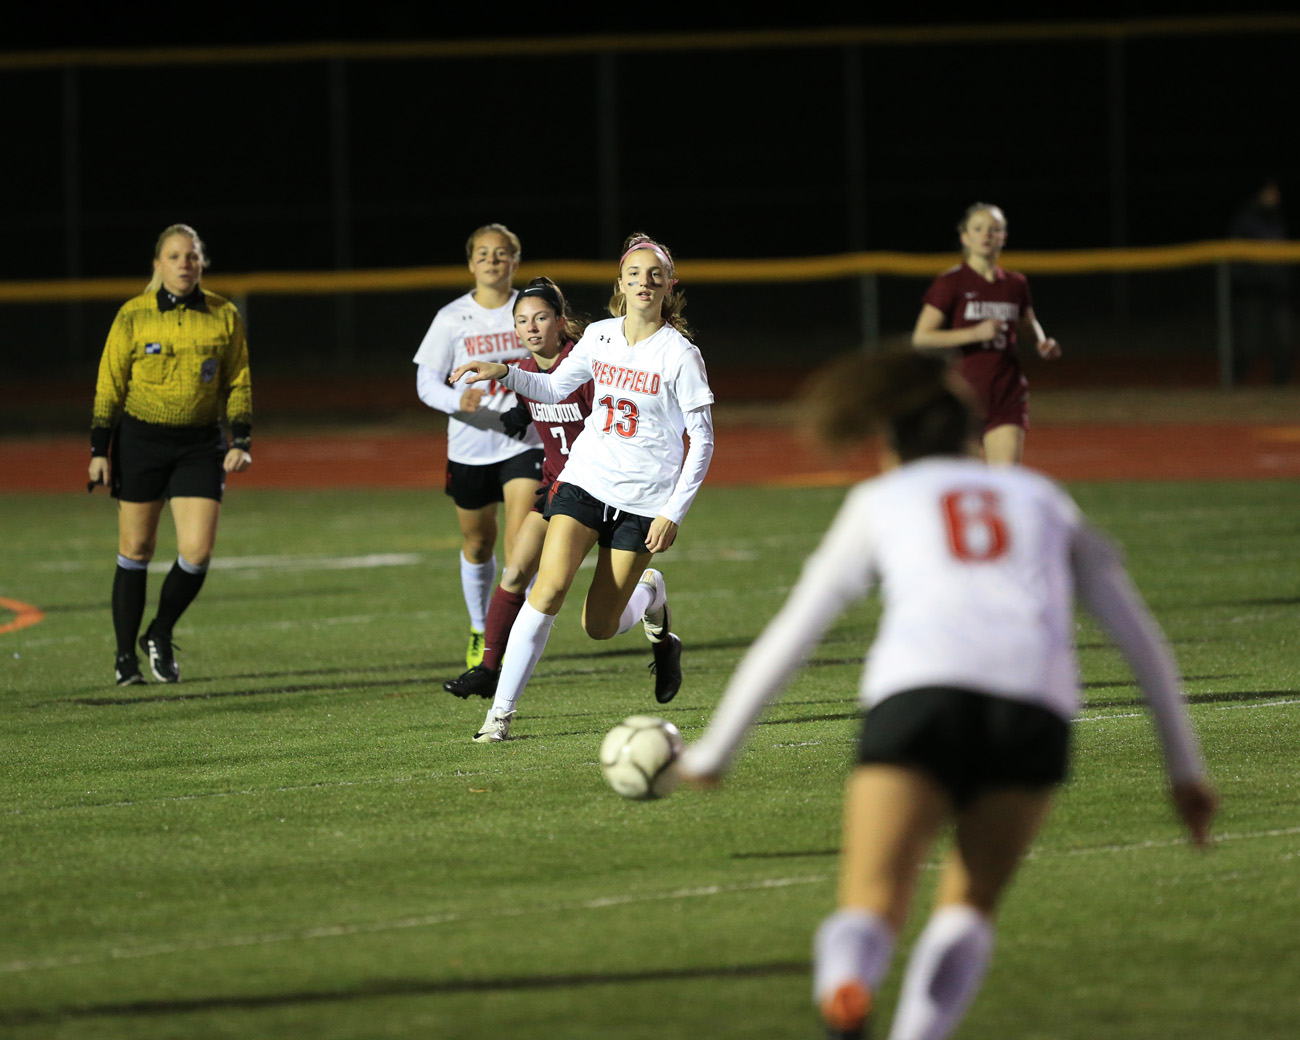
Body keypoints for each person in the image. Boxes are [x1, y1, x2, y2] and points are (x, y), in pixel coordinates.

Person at [677, 351, 1217, 1040]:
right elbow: (1143, 643)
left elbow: (795, 630)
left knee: (872, 901)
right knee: (969, 906)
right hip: (1032, 707)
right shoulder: (1045, 499)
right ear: (969, 430)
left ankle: (847, 982)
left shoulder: (880, 499)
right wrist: (1186, 775)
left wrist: (716, 750)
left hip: (920, 694)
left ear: (890, 443)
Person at [449, 234, 715, 742]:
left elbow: (701, 440)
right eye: (634, 274)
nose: (644, 282)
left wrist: (673, 512)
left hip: (644, 499)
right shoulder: (599, 336)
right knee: (545, 590)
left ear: (668, 285)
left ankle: (651, 594)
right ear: (620, 283)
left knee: (599, 626)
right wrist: (505, 371)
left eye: (654, 274)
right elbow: (552, 387)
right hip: (585, 480)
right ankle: (498, 717)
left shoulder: (681, 355)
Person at [88, 224, 253, 686]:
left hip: (200, 444)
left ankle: (159, 631)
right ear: (157, 265)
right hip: (141, 442)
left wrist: (240, 439)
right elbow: (109, 384)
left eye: (192, 256)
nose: (184, 264)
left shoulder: (223, 314)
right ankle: (125, 658)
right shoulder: (133, 315)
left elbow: (237, 379)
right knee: (136, 549)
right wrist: (100, 449)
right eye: (175, 256)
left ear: (201, 263)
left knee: (197, 552)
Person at [442, 276, 595, 700]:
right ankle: (489, 669)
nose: (531, 327)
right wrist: (517, 416)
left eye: (541, 317)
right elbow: (531, 399)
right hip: (555, 490)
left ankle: (658, 627)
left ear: (560, 322)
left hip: (598, 492)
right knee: (514, 573)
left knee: (600, 617)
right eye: (522, 320)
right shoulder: (525, 370)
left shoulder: (585, 366)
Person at [413, 224, 544, 670]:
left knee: (518, 543)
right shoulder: (451, 317)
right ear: (471, 263)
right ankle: (478, 624)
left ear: (515, 261)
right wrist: (458, 400)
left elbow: (552, 362)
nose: (492, 260)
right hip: (469, 447)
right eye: (483, 254)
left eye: (501, 253)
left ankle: (506, 640)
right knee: (477, 542)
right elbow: (425, 382)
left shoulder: (529, 311)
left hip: (523, 441)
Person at [911, 202, 1061, 466]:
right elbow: (921, 337)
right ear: (965, 237)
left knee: (1004, 481)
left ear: (1003, 237)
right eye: (978, 229)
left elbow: (1027, 322)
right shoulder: (951, 282)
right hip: (964, 395)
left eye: (994, 229)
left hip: (1006, 392)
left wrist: (1041, 343)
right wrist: (974, 333)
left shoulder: (1015, 284)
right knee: (967, 482)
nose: (986, 234)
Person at [1228, 178, 1293, 385]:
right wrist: (1245, 280)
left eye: (1276, 193)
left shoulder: (1278, 220)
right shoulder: (1245, 220)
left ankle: (1280, 386)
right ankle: (1233, 383)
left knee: (1286, 339)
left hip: (1278, 292)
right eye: (1269, 192)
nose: (1274, 197)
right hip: (1252, 292)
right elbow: (1234, 257)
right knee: (1249, 344)